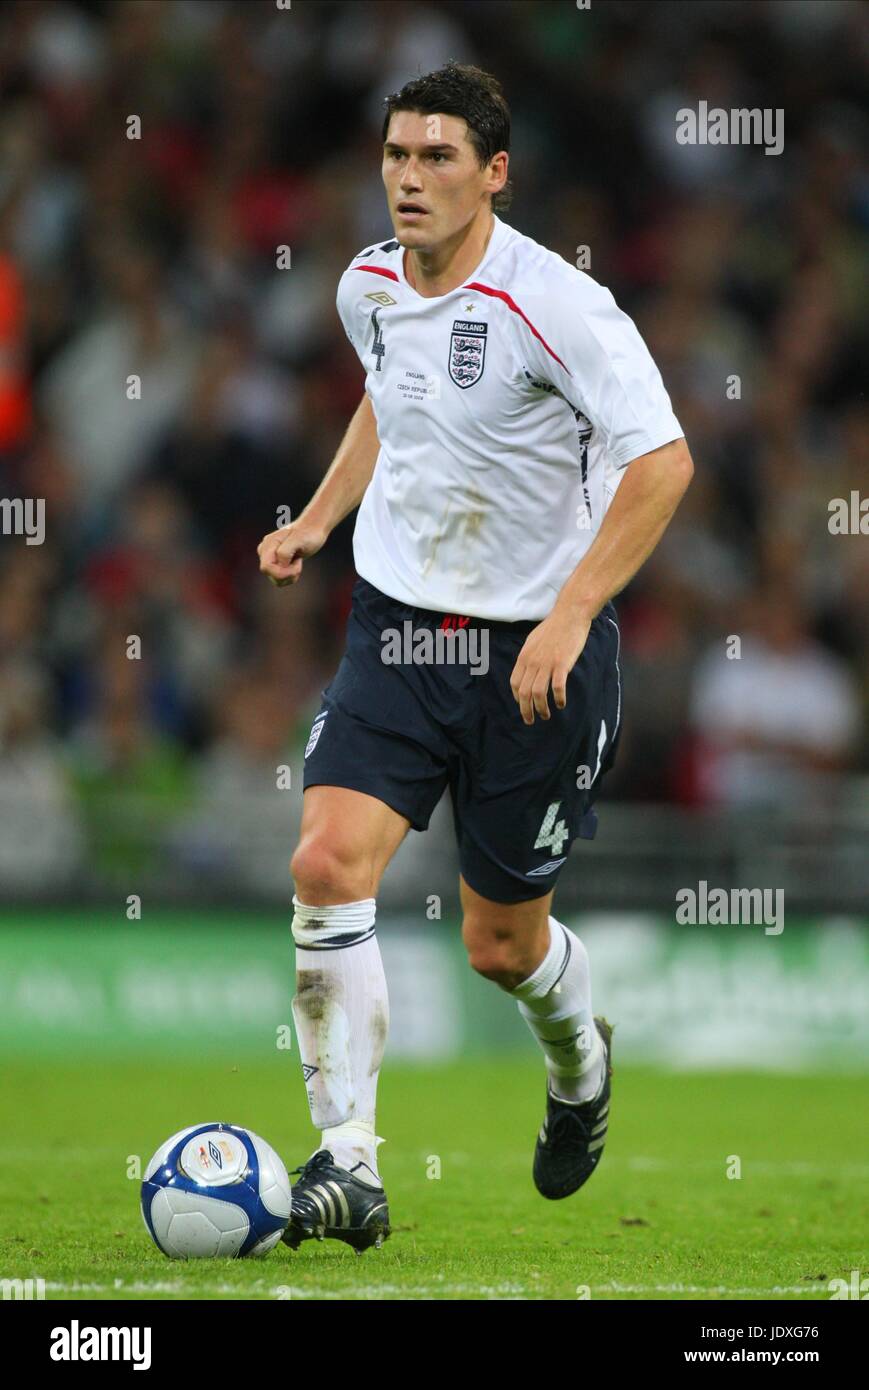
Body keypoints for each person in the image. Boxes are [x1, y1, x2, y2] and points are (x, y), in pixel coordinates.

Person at [257, 63, 693, 1254]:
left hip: (533, 658)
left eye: (437, 157)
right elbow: (388, 400)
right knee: (325, 860)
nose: (409, 178)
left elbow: (660, 465)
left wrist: (567, 615)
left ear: (493, 173)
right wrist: (319, 517)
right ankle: (348, 1165)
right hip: (397, 631)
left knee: (499, 944)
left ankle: (576, 1067)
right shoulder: (364, 285)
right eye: (397, 155)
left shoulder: (557, 305)